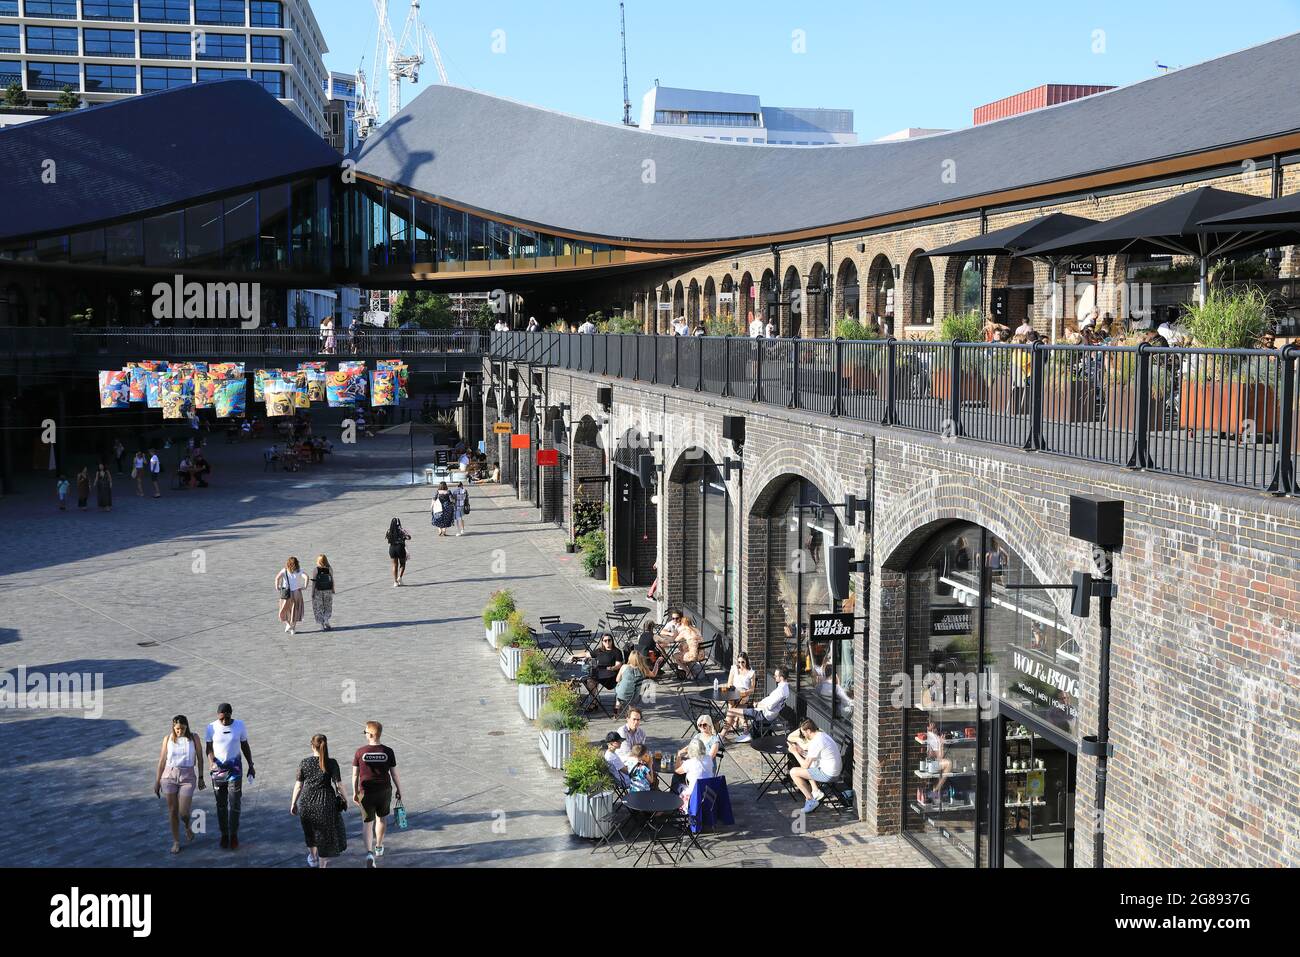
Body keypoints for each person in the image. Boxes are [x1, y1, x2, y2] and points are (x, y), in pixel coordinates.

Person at [291, 733, 348, 868]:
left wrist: (293, 803)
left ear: (312, 746)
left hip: (306, 802)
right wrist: (346, 799)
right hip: (325, 803)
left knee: (310, 831)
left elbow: (299, 785)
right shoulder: (331, 763)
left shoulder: (304, 762)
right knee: (325, 837)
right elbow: (339, 784)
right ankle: (322, 865)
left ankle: (313, 857)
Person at [352, 720, 402, 868]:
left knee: (367, 823)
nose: (365, 734)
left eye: (365, 732)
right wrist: (399, 789)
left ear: (372, 735)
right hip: (384, 790)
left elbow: (355, 775)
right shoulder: (388, 751)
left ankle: (369, 853)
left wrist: (355, 792)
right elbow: (394, 774)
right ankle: (379, 846)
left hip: (365, 792)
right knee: (381, 819)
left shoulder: (360, 752)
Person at [154, 714, 205, 854]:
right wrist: (157, 781)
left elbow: (200, 758)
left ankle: (187, 825)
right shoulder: (167, 739)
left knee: (183, 812)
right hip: (169, 776)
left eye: (182, 728)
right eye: (176, 729)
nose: (179, 731)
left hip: (187, 777)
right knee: (172, 811)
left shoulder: (194, 738)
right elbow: (162, 761)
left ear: (187, 726)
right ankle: (176, 841)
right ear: (173, 727)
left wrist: (201, 777)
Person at [205, 703, 253, 850]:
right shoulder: (211, 727)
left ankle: (234, 835)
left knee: (235, 803)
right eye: (221, 718)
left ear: (231, 714)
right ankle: (224, 834)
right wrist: (211, 762)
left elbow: (245, 745)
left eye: (226, 718)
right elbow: (208, 748)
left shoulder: (239, 725)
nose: (224, 721)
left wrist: (251, 764)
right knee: (221, 805)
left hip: (235, 771)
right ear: (217, 715)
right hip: (218, 772)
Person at [788, 719, 843, 814]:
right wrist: (801, 752)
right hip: (835, 770)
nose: (803, 735)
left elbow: (805, 765)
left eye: (803, 733)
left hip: (829, 775)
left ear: (808, 731)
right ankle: (815, 790)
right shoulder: (822, 735)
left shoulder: (816, 742)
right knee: (810, 764)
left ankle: (810, 800)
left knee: (793, 772)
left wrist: (794, 752)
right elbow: (814, 757)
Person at [724, 667, 790, 741]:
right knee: (737, 706)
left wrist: (757, 705)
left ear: (781, 677)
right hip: (763, 711)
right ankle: (746, 733)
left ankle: (721, 736)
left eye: (776, 676)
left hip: (762, 714)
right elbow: (770, 702)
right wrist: (758, 703)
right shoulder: (784, 688)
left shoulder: (780, 691)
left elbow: (769, 706)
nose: (774, 677)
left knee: (731, 711)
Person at [582, 633, 623, 712]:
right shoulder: (599, 651)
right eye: (605, 640)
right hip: (600, 674)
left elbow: (619, 665)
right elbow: (587, 654)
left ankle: (595, 703)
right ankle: (594, 702)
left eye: (609, 640)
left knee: (592, 678)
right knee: (589, 680)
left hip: (611, 676)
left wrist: (612, 668)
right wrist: (573, 656)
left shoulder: (616, 651)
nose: (607, 642)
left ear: (612, 641)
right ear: (602, 642)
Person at [673, 737, 714, 811]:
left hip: (694, 795)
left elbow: (677, 770)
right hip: (709, 793)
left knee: (676, 778)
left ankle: (673, 802)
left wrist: (679, 755)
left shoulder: (689, 763)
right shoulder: (709, 759)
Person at [275, 556, 308, 635]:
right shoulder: (299, 571)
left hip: (286, 593)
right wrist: (304, 587)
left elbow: (277, 578)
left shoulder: (284, 570)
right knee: (295, 611)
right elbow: (306, 577)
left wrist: (277, 587)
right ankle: (293, 628)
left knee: (284, 610)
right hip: (297, 592)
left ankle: (288, 624)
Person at [613, 651, 648, 718]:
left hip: (622, 694)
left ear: (630, 658)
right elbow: (654, 674)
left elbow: (617, 680)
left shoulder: (624, 667)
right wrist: (657, 663)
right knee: (633, 696)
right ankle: (630, 713)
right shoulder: (643, 669)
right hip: (634, 696)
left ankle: (616, 709)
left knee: (619, 691)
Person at [310, 554, 335, 631]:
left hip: (318, 590)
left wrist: (312, 592)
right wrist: (333, 589)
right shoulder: (329, 568)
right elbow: (332, 579)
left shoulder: (316, 569)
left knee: (319, 607)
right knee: (328, 606)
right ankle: (326, 619)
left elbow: (314, 582)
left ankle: (321, 624)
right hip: (328, 590)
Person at [386, 517, 411, 586]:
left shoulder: (389, 530)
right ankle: (400, 577)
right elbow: (409, 537)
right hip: (400, 548)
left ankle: (395, 582)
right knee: (402, 564)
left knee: (394, 565)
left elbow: (388, 538)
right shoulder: (402, 530)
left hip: (392, 548)